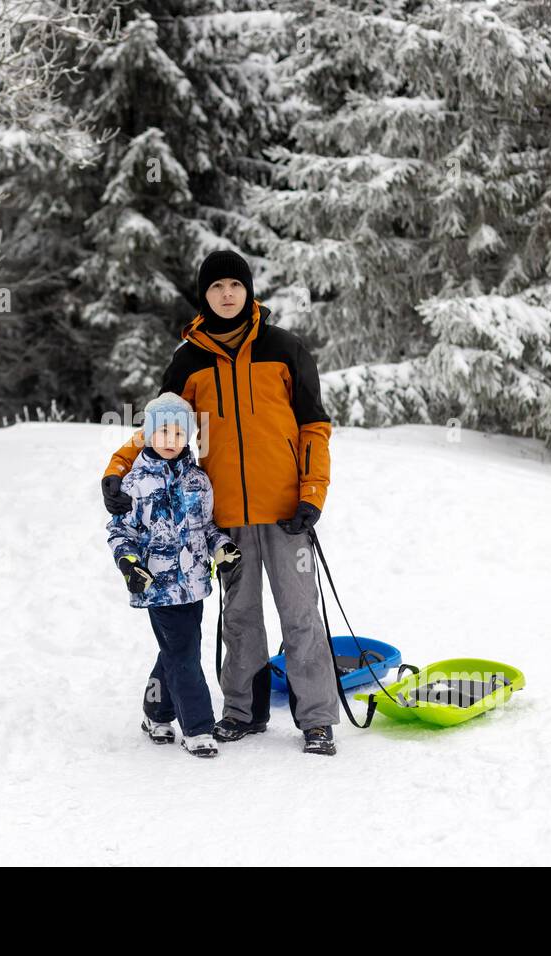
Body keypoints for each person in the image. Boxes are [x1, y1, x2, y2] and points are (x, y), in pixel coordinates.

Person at [101, 250, 342, 756]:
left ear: (248, 290)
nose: (226, 294)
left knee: (300, 615)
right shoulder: (189, 361)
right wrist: (117, 470)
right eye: (216, 287)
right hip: (223, 518)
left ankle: (317, 720)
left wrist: (312, 494)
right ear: (204, 295)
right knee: (239, 618)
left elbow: (314, 428)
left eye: (235, 284)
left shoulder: (284, 349)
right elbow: (158, 428)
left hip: (285, 513)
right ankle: (242, 712)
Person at [106, 391, 243, 758]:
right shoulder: (134, 483)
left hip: (195, 583)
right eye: (163, 432)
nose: (171, 441)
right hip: (158, 586)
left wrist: (221, 547)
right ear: (149, 434)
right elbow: (121, 533)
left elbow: (207, 527)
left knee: (175, 649)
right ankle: (197, 727)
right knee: (184, 652)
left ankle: (156, 713)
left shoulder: (198, 480)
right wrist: (129, 565)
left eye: (179, 434)